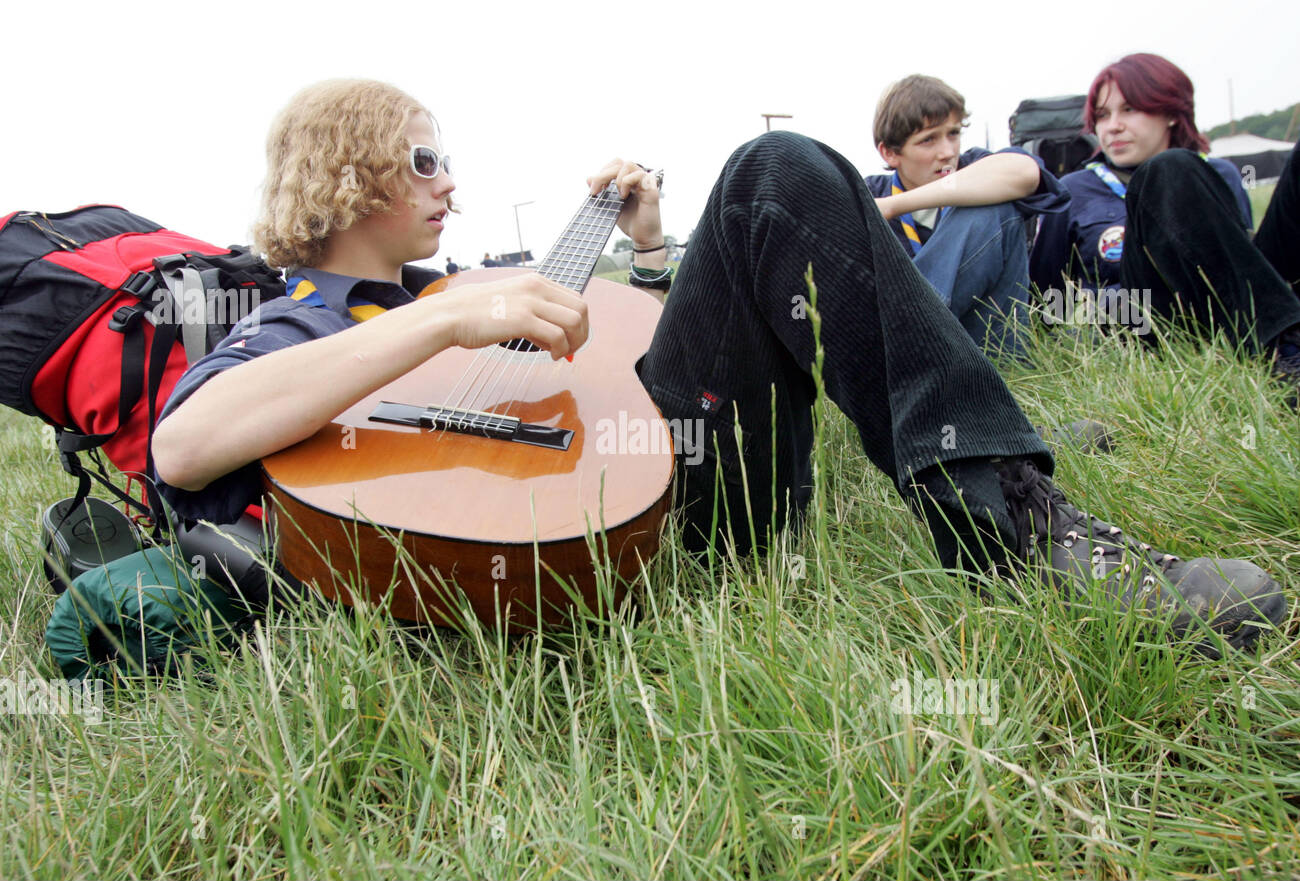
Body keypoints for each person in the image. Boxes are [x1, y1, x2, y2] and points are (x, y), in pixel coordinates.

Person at [150, 79, 1287, 656]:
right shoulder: (310, 322)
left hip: (674, 487)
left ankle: (1012, 514)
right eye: (425, 157)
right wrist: (442, 321)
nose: (449, 180)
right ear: (353, 175)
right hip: (563, 546)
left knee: (777, 172)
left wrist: (642, 246)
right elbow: (186, 442)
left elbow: (646, 366)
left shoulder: (463, 299)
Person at [1029, 53, 1300, 385]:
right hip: (1145, 319)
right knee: (1169, 169)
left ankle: (1285, 341)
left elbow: (1242, 265)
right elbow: (1044, 302)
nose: (1112, 126)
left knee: (1179, 169)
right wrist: (1100, 312)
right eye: (1102, 115)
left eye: (1129, 110)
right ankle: (1282, 353)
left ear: (1171, 112)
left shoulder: (1219, 173)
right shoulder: (1073, 190)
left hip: (1225, 313)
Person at [864, 75, 1070, 361]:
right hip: (901, 352)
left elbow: (1026, 173)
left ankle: (1002, 373)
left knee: (992, 204)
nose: (947, 152)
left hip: (986, 352)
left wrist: (892, 206)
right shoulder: (868, 192)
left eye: (953, 133)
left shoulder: (977, 167)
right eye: (928, 140)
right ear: (890, 152)